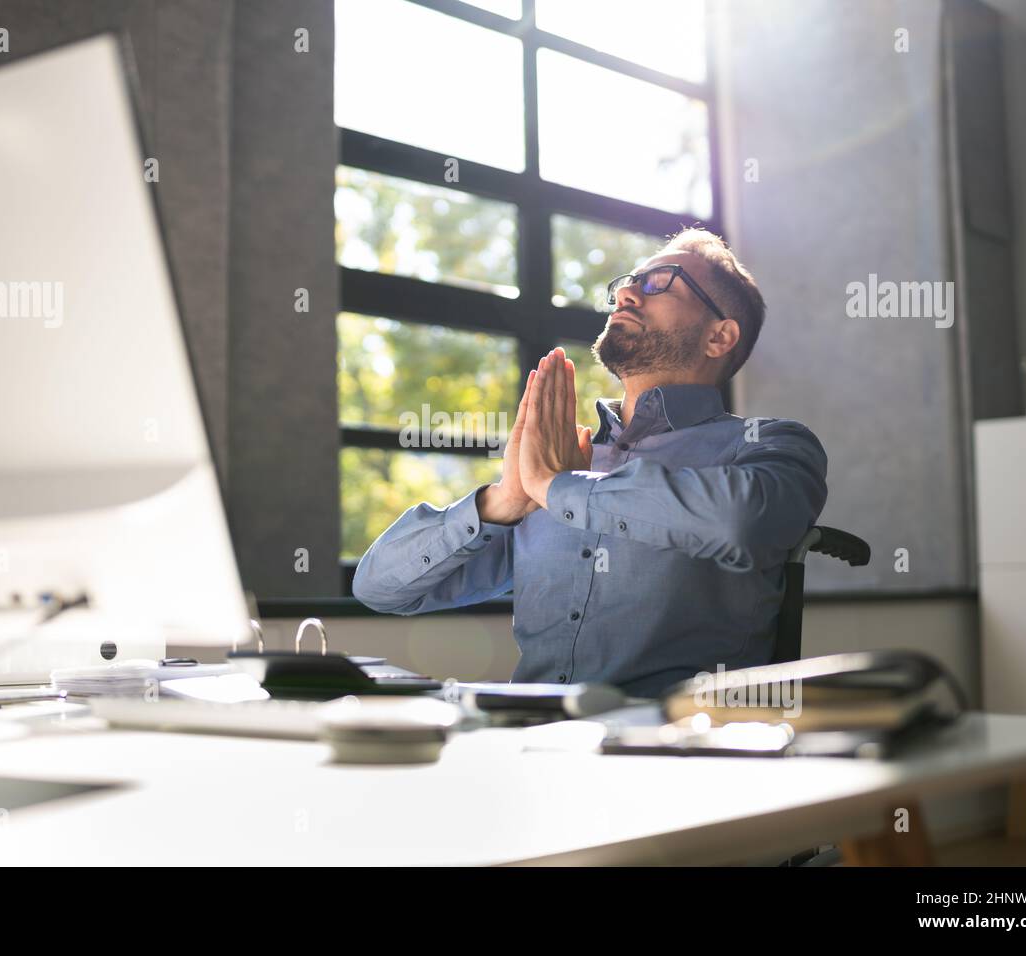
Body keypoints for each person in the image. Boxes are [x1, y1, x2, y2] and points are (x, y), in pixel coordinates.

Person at [352, 228, 828, 698]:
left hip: (674, 751)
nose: (625, 291)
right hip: (533, 742)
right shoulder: (553, 464)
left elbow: (741, 520)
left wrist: (558, 487)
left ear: (719, 337)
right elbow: (380, 590)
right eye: (628, 281)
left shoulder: (767, 444)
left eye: (660, 281)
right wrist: (502, 501)